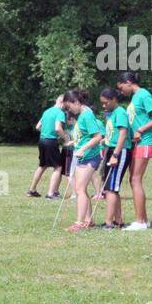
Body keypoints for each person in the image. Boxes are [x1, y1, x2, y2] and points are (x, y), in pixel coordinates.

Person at [116, 70, 152, 231]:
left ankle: (140, 222)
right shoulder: (136, 97)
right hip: (138, 143)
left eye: (122, 88)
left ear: (129, 82)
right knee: (133, 179)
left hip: (146, 141)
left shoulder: (143, 95)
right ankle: (144, 219)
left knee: (135, 179)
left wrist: (141, 130)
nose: (121, 92)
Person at [62, 89, 103, 232]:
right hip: (82, 156)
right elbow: (84, 135)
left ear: (76, 102)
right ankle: (88, 220)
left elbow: (97, 137)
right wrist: (76, 143)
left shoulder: (86, 116)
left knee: (79, 189)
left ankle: (79, 223)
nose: (69, 110)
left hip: (90, 157)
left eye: (69, 106)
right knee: (81, 189)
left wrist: (82, 149)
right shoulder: (81, 115)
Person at [98, 87, 131, 229]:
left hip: (120, 152)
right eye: (102, 103)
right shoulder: (111, 114)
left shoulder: (120, 113)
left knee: (111, 189)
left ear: (113, 100)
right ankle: (118, 221)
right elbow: (114, 133)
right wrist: (105, 139)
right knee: (110, 187)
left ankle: (108, 223)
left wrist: (115, 155)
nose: (104, 105)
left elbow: (123, 135)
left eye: (106, 103)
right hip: (111, 149)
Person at [28, 95, 67, 198]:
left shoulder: (47, 111)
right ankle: (51, 193)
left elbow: (38, 127)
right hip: (51, 141)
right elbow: (58, 128)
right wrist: (65, 138)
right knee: (58, 167)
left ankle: (32, 190)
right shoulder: (60, 113)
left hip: (42, 140)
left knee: (42, 165)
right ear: (63, 103)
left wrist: (46, 132)